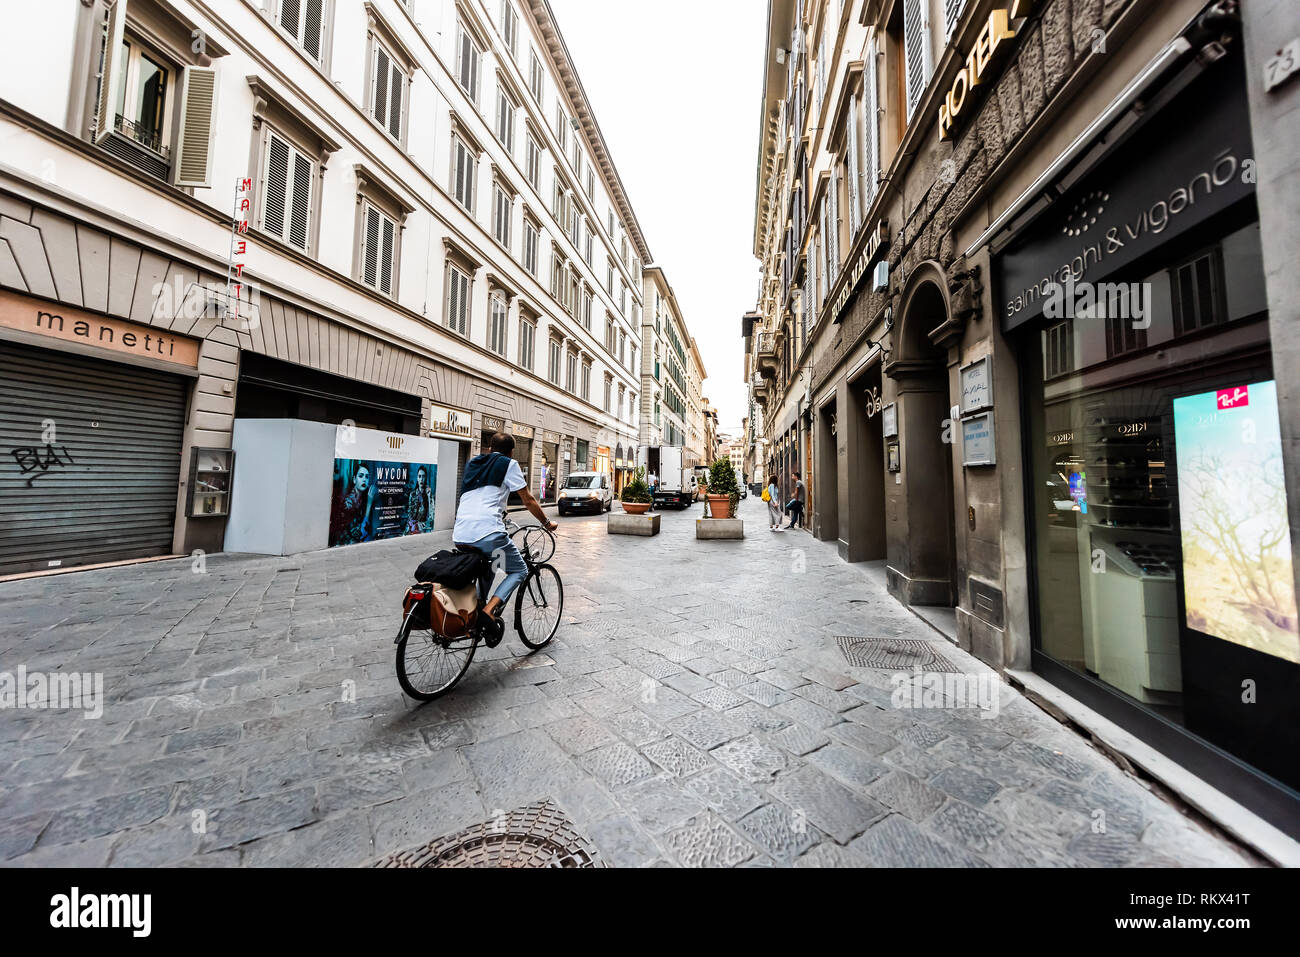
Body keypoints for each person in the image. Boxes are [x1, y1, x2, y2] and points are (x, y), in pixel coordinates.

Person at [454, 433, 557, 629]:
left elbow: (481, 496)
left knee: (492, 562)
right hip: (487, 533)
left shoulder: (472, 463)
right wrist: (546, 522)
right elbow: (528, 499)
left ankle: (477, 607)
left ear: (489, 448)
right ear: (510, 452)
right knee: (519, 569)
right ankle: (488, 610)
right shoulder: (509, 464)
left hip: (460, 533)